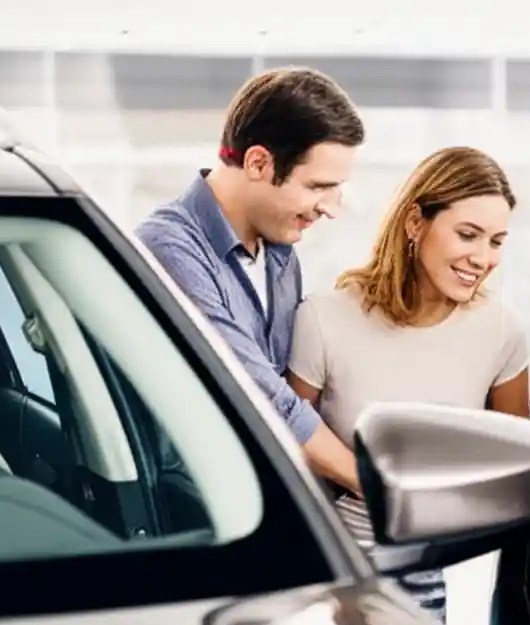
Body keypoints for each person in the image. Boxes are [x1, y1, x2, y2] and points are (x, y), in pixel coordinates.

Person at [286, 146, 530, 623]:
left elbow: (513, 459)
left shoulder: (501, 331)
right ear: (415, 222)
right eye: (468, 235)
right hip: (326, 565)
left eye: (497, 241)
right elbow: (284, 445)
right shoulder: (325, 317)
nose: (483, 258)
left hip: (432, 571)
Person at [135, 67, 365, 495]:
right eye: (319, 186)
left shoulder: (280, 253)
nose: (331, 208)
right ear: (258, 162)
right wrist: (368, 485)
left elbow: (289, 389)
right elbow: (261, 397)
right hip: (195, 510)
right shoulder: (171, 249)